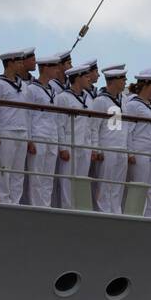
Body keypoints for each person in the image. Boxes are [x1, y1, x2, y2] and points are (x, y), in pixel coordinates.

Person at [0, 49, 34, 204]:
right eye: (19, 62)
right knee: (4, 169)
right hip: (6, 131)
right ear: (9, 63)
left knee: (18, 171)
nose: (21, 65)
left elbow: (28, 113)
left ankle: (15, 201)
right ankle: (4, 200)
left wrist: (29, 137)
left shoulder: (24, 86)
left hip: (21, 130)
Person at [24, 54, 62, 208]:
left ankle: (45, 205)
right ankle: (36, 206)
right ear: (45, 68)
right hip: (38, 134)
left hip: (52, 135)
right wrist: (29, 139)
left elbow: (57, 118)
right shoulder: (31, 89)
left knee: (48, 176)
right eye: (54, 67)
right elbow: (27, 114)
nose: (57, 70)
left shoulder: (53, 90)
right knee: (36, 175)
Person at [125, 69, 151, 217]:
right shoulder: (133, 105)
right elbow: (129, 130)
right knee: (140, 187)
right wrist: (130, 152)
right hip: (140, 148)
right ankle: (137, 216)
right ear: (146, 86)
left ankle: (149, 216)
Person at [55, 63, 94, 210]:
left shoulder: (88, 99)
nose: (89, 79)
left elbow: (90, 126)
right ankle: (67, 209)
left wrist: (92, 147)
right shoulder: (63, 98)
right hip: (70, 145)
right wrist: (63, 147)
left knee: (81, 182)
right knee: (67, 182)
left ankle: (78, 209)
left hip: (85, 145)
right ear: (77, 78)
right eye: (86, 77)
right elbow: (60, 124)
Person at [90, 66, 129, 213]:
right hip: (107, 147)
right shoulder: (101, 101)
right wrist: (96, 148)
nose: (125, 81)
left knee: (118, 186)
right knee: (105, 186)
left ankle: (116, 212)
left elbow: (126, 127)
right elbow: (94, 126)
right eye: (122, 78)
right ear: (113, 81)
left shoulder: (123, 100)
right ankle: (104, 212)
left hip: (121, 147)